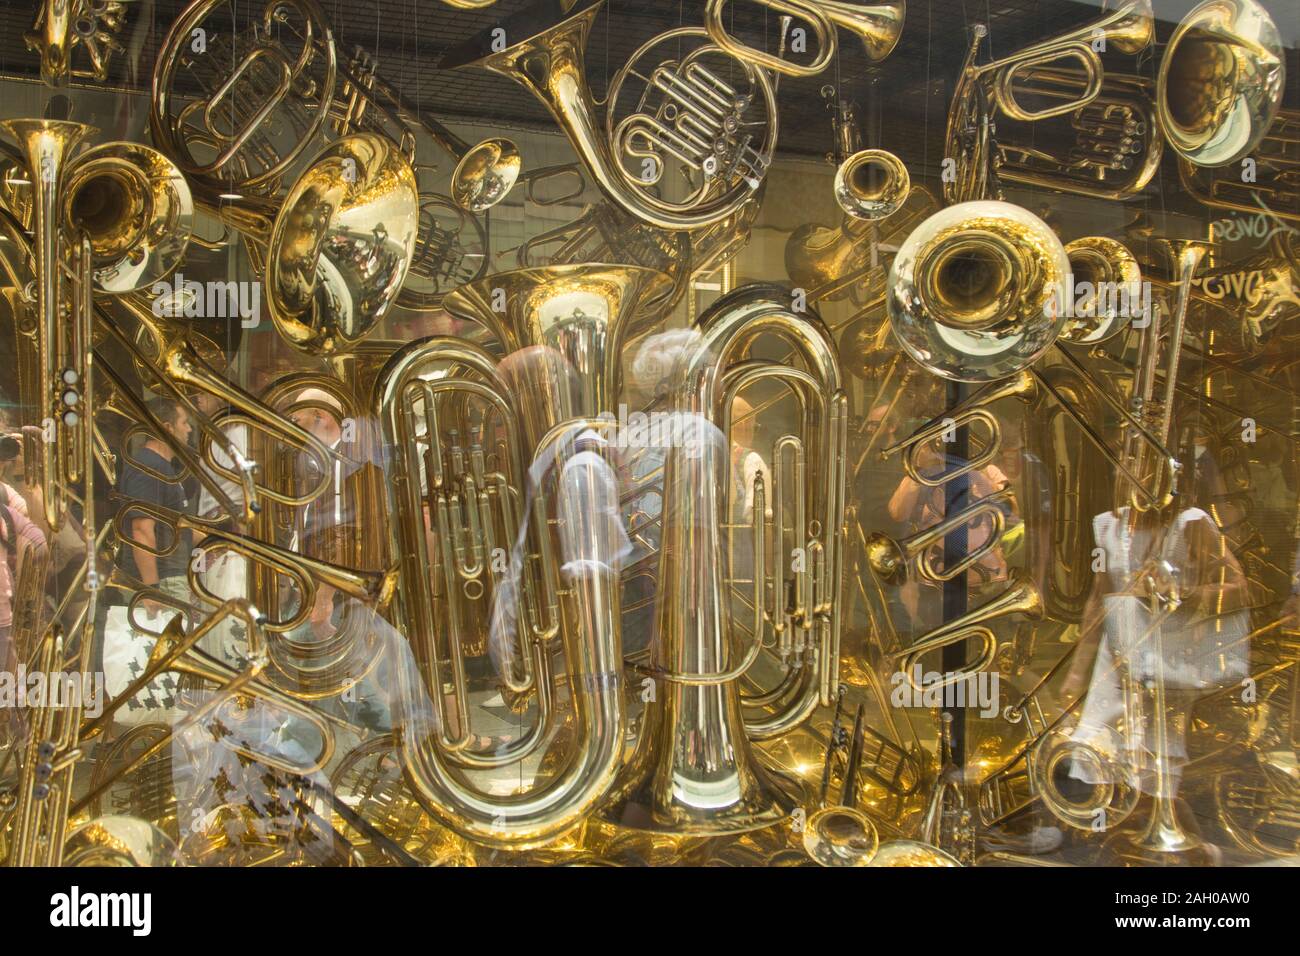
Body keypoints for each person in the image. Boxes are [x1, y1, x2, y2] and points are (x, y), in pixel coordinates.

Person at [117, 397, 196, 613]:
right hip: (162, 582)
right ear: (167, 428)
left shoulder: (162, 467)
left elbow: (175, 525)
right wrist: (151, 588)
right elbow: (141, 530)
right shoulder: (148, 467)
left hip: (168, 578)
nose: (189, 429)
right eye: (184, 422)